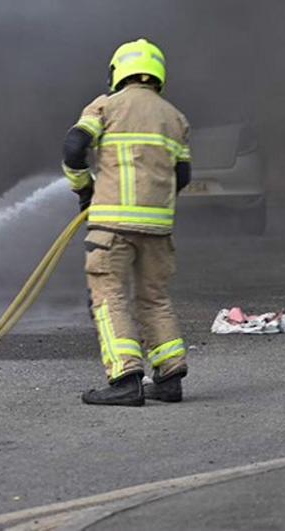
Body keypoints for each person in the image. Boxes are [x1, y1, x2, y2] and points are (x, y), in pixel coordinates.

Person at [61, 38, 192, 406]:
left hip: (111, 226)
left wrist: (85, 191)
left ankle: (125, 378)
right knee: (154, 297)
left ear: (118, 72)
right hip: (158, 229)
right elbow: (182, 175)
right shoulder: (175, 117)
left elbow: (73, 149)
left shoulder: (105, 106)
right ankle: (169, 377)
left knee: (108, 295)